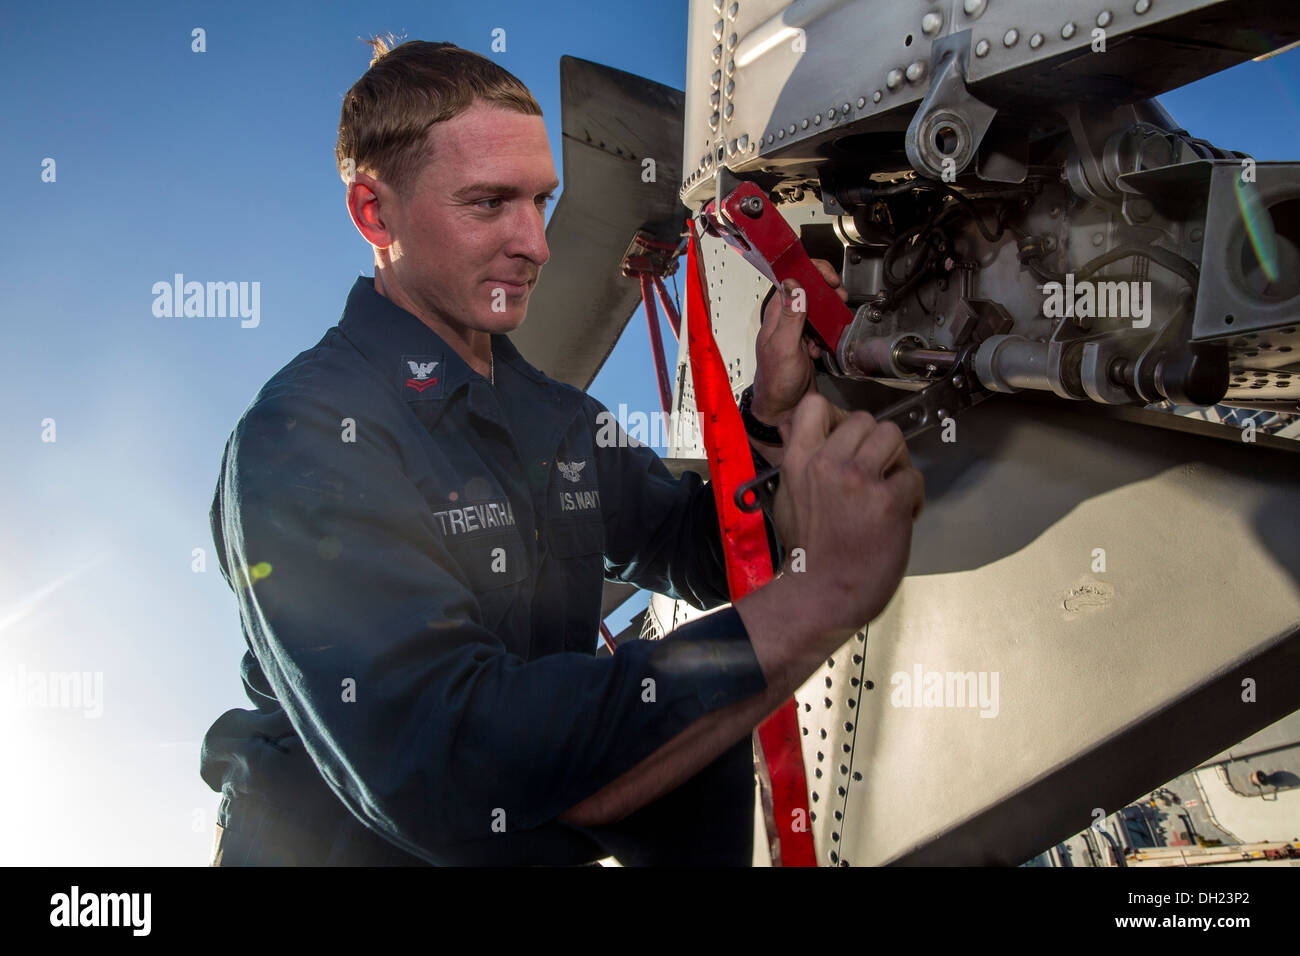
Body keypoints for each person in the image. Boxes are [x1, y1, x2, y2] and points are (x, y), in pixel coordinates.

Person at [200, 37, 924, 866]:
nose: (534, 244)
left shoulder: (561, 424)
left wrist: (772, 416)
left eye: (540, 202)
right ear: (375, 214)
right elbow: (455, 766)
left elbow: (705, 548)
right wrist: (819, 601)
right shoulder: (302, 437)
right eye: (487, 204)